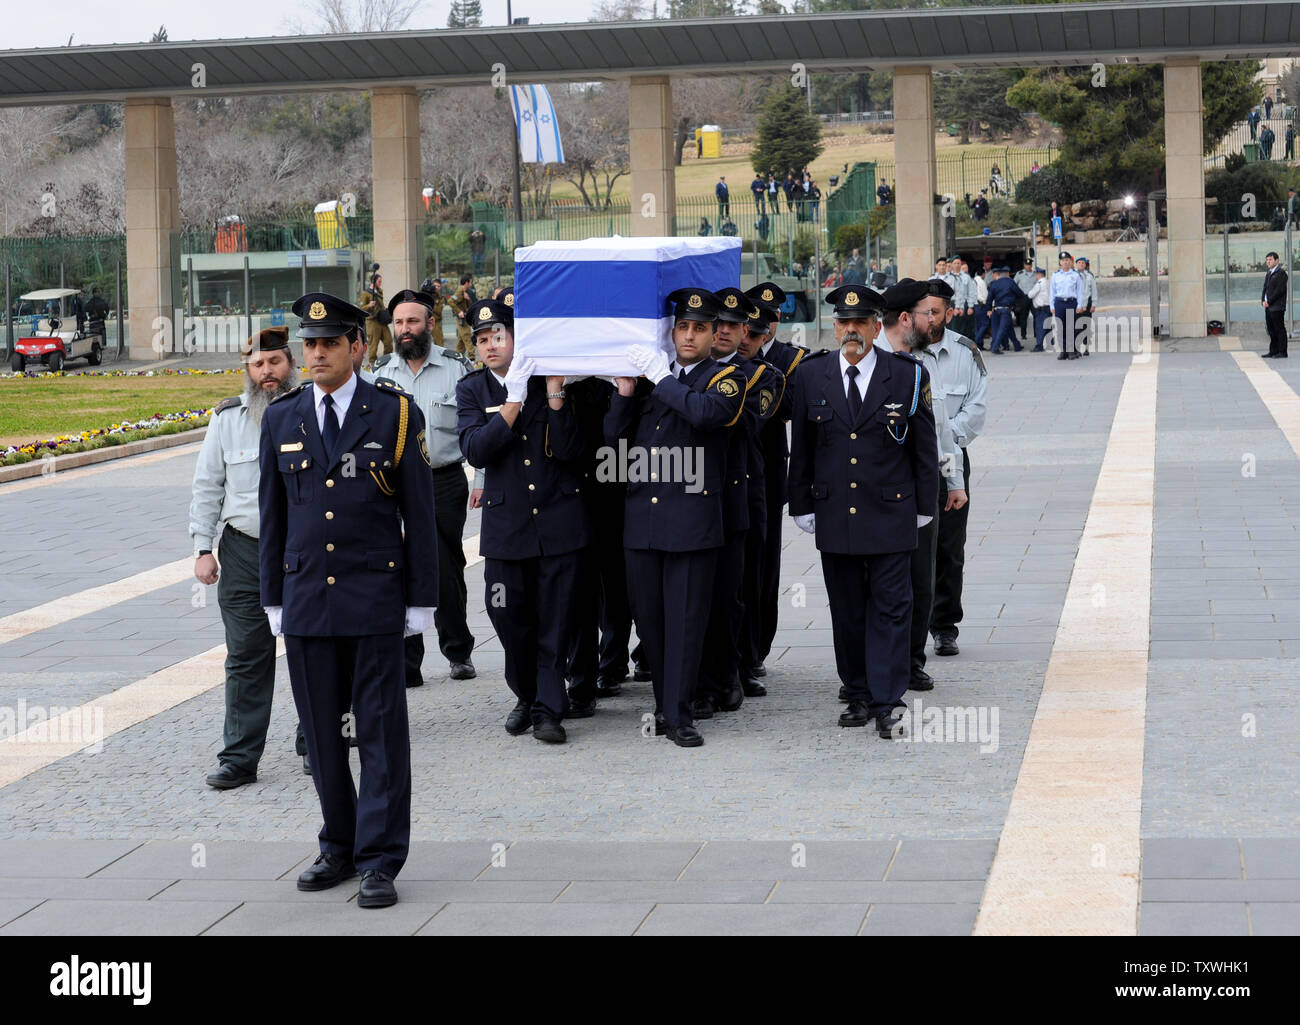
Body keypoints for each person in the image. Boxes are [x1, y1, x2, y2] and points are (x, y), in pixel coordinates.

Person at [259, 291, 438, 910]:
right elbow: (272, 514)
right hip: (306, 595)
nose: (315, 354)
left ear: (357, 347)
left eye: (329, 343)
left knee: (382, 730)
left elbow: (420, 511)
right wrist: (272, 598)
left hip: (373, 595)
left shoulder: (393, 414)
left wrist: (421, 601)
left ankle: (381, 857)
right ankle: (338, 842)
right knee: (321, 732)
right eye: (308, 344)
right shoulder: (282, 418)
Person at [787, 283, 939, 736]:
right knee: (848, 609)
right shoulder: (812, 375)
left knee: (892, 607)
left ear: (877, 326)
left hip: (891, 511)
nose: (851, 330)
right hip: (837, 513)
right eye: (843, 323)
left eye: (860, 323)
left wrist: (923, 504)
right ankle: (855, 692)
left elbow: (923, 447)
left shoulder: (907, 375)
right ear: (834, 328)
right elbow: (803, 447)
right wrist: (801, 503)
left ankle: (887, 699)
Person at [605, 288, 745, 747]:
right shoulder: (651, 378)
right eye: (682, 326)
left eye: (699, 328)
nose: (689, 335)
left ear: (713, 335)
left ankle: (682, 715)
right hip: (642, 521)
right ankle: (665, 708)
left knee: (685, 621)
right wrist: (627, 392)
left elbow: (704, 415)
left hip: (691, 521)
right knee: (651, 623)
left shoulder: (726, 378)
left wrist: (660, 377)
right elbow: (613, 440)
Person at [457, 298, 590, 742]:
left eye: (498, 335)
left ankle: (549, 709)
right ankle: (526, 693)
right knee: (507, 614)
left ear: (517, 338)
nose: (490, 345)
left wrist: (554, 397)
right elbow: (476, 450)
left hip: (558, 521)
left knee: (555, 619)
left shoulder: (548, 379)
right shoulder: (474, 390)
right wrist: (513, 403)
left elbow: (573, 452)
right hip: (506, 528)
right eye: (482, 339)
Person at [192, 326, 301, 788]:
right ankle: (239, 757)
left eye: (274, 362)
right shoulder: (227, 419)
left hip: (305, 550)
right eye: (257, 365)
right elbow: (207, 485)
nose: (266, 372)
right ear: (247, 371)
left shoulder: (310, 413)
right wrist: (202, 547)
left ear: (290, 363)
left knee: (312, 650)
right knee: (245, 655)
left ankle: (319, 742)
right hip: (242, 549)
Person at [374, 288, 479, 687]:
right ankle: (407, 664)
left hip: (442, 481)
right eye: (399, 322)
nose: (405, 329)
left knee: (444, 568)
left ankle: (459, 652)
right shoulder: (381, 373)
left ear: (430, 324)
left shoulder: (457, 368)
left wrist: (481, 479)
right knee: (395, 568)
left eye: (412, 321)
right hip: (391, 486)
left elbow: (476, 425)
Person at [695, 286, 783, 716]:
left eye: (734, 325)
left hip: (740, 496)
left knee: (741, 589)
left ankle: (740, 666)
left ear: (746, 329)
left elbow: (740, 424)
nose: (727, 332)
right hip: (695, 497)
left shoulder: (762, 375)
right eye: (721, 325)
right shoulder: (689, 373)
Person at [876, 281, 967, 693]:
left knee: (920, 576)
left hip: (921, 489)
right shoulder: (863, 361)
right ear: (905, 317)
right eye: (924, 313)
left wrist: (954, 481)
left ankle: (911, 660)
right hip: (872, 491)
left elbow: (941, 431)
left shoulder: (921, 365)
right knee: (871, 581)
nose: (933, 320)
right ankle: (869, 667)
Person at [740, 282, 816, 683]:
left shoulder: (792, 360)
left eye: (767, 322)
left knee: (763, 567)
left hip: (767, 472)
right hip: (732, 471)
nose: (760, 331)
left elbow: (788, 410)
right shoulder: (727, 356)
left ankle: (755, 648)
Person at [924, 279, 988, 660]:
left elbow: (976, 409)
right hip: (908, 460)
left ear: (949, 313)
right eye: (923, 311)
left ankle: (944, 625)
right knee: (914, 545)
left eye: (935, 311)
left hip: (951, 457)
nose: (929, 318)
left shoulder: (966, 353)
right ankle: (913, 621)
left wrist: (945, 437)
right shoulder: (902, 351)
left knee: (949, 545)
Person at [1049, 251, 1084, 360]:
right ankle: (1063, 350)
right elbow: (1052, 292)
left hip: (1071, 302)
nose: (1065, 262)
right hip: (1059, 303)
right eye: (1063, 260)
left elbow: (1079, 292)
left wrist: (1079, 305)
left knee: (1070, 327)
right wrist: (1052, 306)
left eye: (1067, 260)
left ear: (1070, 262)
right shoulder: (1055, 275)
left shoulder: (1075, 275)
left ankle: (1071, 351)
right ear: (1060, 262)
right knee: (1060, 327)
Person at [987, 266, 1028, 354]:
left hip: (996, 310)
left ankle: (1017, 345)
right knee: (1002, 329)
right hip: (1006, 310)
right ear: (1008, 274)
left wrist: (989, 309)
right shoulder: (1010, 282)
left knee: (1007, 329)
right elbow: (1020, 293)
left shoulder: (994, 283)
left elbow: (989, 298)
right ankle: (995, 347)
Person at [359, 273, 393, 368]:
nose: (380, 283)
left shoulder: (379, 291)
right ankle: (372, 364)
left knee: (388, 341)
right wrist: (369, 306)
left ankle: (387, 361)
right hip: (372, 322)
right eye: (379, 281)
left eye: (381, 281)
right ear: (373, 282)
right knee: (374, 344)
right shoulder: (366, 293)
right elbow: (361, 308)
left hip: (381, 321)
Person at [1262, 251, 1289, 358]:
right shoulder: (1269, 273)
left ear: (1277, 260)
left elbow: (1279, 291)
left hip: (1277, 307)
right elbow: (1265, 288)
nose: (1268, 262)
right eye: (1267, 260)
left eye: (1270, 260)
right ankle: (1273, 351)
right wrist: (1263, 300)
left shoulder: (1281, 273)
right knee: (1271, 330)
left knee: (1279, 329)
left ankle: (1282, 352)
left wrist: (1269, 301)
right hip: (1268, 307)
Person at [1075, 256, 1097, 355]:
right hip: (1076, 305)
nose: (1081, 264)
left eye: (1083, 263)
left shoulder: (1089, 276)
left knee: (1086, 326)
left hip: (1087, 304)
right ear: (1076, 264)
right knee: (1077, 326)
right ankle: (1077, 347)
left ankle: (1086, 347)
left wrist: (1094, 304)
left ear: (1085, 265)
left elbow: (1094, 290)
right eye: (1079, 263)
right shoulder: (1072, 275)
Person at [448, 273, 474, 357]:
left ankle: (458, 356)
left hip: (465, 318)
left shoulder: (464, 292)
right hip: (461, 319)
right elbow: (450, 301)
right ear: (466, 282)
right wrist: (459, 312)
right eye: (470, 282)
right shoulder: (459, 292)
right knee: (467, 337)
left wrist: (468, 299)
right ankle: (472, 357)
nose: (471, 284)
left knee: (461, 340)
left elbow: (469, 305)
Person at [1028, 267, 1051, 351]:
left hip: (1041, 309)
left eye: (1036, 274)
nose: (1035, 276)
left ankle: (1039, 346)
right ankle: (1050, 344)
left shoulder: (1039, 283)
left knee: (1040, 327)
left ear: (1039, 274)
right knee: (1048, 327)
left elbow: (1030, 295)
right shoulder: (1047, 282)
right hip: (1047, 308)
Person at [419, 277, 446, 350]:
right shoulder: (426, 294)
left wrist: (431, 301)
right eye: (435, 286)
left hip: (435, 322)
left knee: (439, 343)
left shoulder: (441, 298)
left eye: (438, 286)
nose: (436, 288)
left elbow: (438, 311)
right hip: (424, 320)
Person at [1014, 260, 1037, 344]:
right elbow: (1014, 285)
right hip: (1024, 298)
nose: (1028, 266)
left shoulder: (1035, 274)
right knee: (1023, 317)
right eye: (1027, 265)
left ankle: (1036, 334)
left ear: (1031, 265)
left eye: (1030, 265)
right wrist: (1018, 296)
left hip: (1034, 298)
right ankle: (1023, 334)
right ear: (1024, 265)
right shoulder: (1019, 274)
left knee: (1036, 316)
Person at [972, 267, 990, 349]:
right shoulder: (982, 282)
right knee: (985, 324)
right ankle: (977, 341)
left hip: (975, 305)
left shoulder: (973, 281)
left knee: (978, 326)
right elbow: (985, 295)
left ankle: (980, 344)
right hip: (982, 305)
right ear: (983, 274)